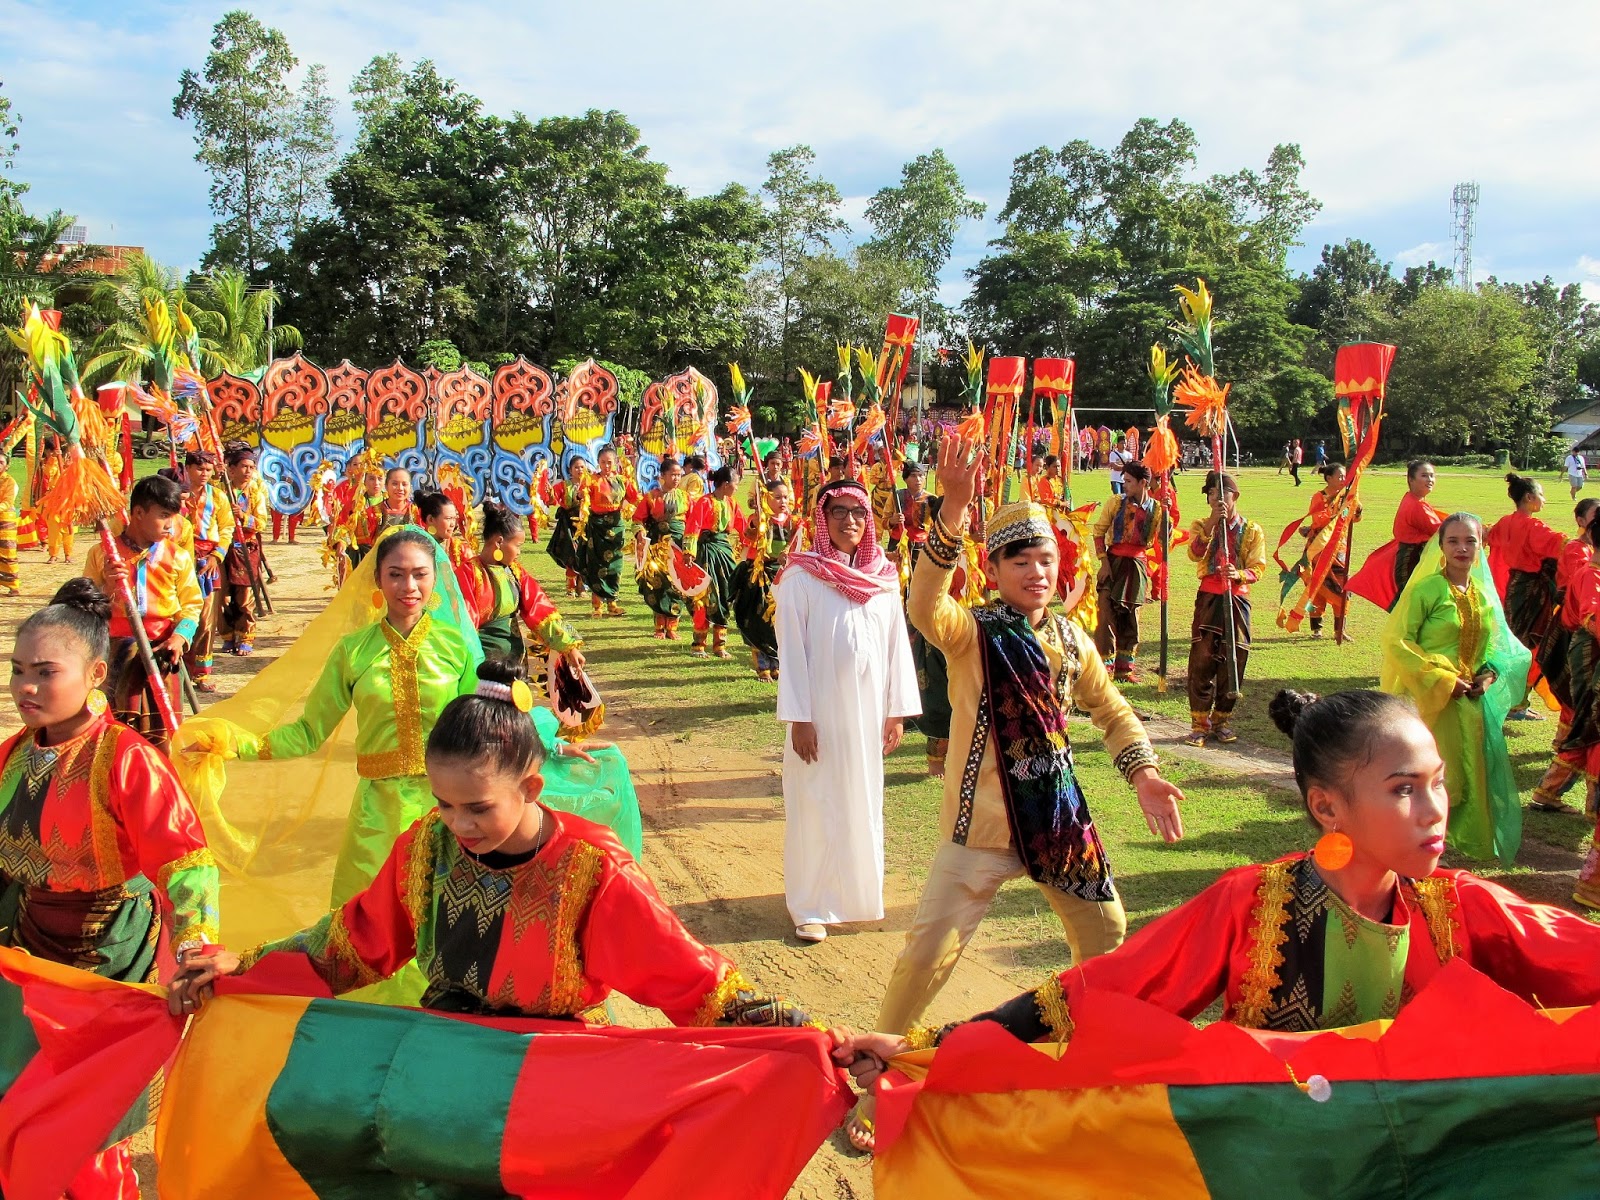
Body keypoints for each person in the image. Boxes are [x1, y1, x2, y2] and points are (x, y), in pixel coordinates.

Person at [840, 689, 1600, 1082]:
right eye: (1404, 789)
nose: (1435, 810)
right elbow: (1104, 993)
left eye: (1436, 783)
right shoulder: (1253, 905)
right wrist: (929, 1047)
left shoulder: (1464, 909)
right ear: (1327, 808)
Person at [851, 436, 1184, 1152]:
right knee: (924, 961)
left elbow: (1112, 711)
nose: (1037, 572)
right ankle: (879, 1084)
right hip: (980, 830)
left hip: (1057, 825)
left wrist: (1144, 774)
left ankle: (1091, 1072)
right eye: (1021, 561)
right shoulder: (972, 632)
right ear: (995, 570)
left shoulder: (1071, 639)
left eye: (1046, 559)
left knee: (1106, 939)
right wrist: (954, 508)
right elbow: (922, 604)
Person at [169, 660, 807, 1030]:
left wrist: (806, 1036)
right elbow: (352, 944)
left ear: (531, 788)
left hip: (553, 1069)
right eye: (444, 804)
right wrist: (245, 968)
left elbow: (691, 980)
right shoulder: (428, 846)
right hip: (446, 1053)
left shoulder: (592, 870)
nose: (458, 824)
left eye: (477, 808)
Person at [2, 579, 220, 1195]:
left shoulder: (126, 758)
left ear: (95, 674)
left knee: (89, 1131)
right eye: (18, 671)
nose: (25, 688)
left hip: (107, 961)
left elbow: (186, 861)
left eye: (46, 672)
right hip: (28, 956)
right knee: (19, 1106)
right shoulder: (13, 755)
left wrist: (196, 949)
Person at [178, 529, 482, 916]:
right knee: (370, 918)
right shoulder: (354, 651)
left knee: (443, 915)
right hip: (376, 818)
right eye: (395, 574)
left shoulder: (455, 646)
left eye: (420, 574)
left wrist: (537, 748)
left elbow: (481, 725)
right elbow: (308, 732)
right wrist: (232, 744)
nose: (409, 586)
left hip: (445, 810)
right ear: (377, 579)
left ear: (435, 578)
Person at [776, 478, 919, 944]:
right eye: (838, 512)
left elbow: (897, 647)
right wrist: (800, 718)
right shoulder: (801, 578)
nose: (849, 521)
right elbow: (792, 653)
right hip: (818, 714)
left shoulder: (884, 579)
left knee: (861, 799)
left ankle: (855, 898)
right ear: (823, 519)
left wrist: (896, 711)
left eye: (858, 513)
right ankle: (810, 906)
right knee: (815, 801)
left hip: (868, 715)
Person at [1382, 514, 1528, 864]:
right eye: (1453, 541)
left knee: (1466, 773)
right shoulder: (1427, 590)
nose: (1462, 548)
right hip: (1430, 701)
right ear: (1441, 546)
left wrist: (1488, 675)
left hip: (1469, 703)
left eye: (1470, 541)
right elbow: (1397, 641)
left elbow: (1494, 648)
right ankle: (1420, 841)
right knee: (1429, 775)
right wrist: (1443, 680)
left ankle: (1451, 839)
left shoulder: (1483, 595)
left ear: (1481, 547)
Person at [82, 474, 202, 750]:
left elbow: (192, 604)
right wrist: (108, 586)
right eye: (163, 516)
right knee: (111, 736)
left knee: (162, 738)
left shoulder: (178, 557)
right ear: (138, 513)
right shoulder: (103, 554)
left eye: (173, 516)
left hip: (162, 654)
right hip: (114, 655)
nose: (170, 525)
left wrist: (179, 638)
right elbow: (85, 608)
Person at [1185, 471, 1267, 746]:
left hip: (1237, 598)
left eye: (1222, 493)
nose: (1216, 498)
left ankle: (1222, 720)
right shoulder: (1201, 525)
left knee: (1235, 657)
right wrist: (1211, 522)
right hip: (1209, 597)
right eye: (1211, 493)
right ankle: (1199, 723)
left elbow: (1258, 567)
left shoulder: (1252, 530)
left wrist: (1239, 574)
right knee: (1202, 657)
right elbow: (1194, 553)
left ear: (1235, 496)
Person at [1529, 501, 1599, 814]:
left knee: (1581, 725)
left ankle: (1550, 791)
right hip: (1584, 654)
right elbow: (1592, 618)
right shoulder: (1588, 573)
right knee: (1586, 726)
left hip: (1584, 652)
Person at [456, 500, 583, 667]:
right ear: (499, 542)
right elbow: (464, 624)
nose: (519, 552)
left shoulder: (514, 571)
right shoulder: (468, 574)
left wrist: (569, 647)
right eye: (517, 546)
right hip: (481, 665)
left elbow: (539, 607)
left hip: (515, 662)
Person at [1486, 472, 1565, 720]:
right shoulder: (1533, 526)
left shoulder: (1506, 522)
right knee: (1531, 646)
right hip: (1533, 592)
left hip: (1515, 587)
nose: (1544, 500)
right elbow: (1559, 545)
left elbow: (1490, 535)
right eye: (1541, 494)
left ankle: (1512, 699)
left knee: (1515, 641)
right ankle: (1516, 704)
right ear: (1529, 498)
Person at [1091, 461, 1161, 682]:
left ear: (1143, 483)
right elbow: (1098, 532)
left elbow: (1164, 540)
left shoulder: (1158, 509)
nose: (1125, 484)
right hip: (1113, 563)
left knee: (1131, 617)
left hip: (1137, 566)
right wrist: (1104, 562)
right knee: (1105, 613)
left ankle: (1124, 669)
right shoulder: (1115, 503)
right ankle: (1104, 668)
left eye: (1129, 481)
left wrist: (1168, 519)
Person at [1348, 459, 1446, 611]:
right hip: (1412, 561)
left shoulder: (1413, 499)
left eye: (1432, 476)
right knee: (1412, 606)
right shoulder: (1416, 505)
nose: (1430, 480)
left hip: (1410, 559)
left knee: (1412, 605)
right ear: (1411, 479)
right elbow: (1440, 530)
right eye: (1424, 476)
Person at [181, 449, 235, 694]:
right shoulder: (177, 494)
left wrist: (216, 556)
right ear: (188, 469)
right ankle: (179, 669)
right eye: (199, 469)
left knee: (205, 619)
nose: (204, 474)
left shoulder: (218, 497)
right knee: (181, 615)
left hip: (208, 561)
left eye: (209, 470)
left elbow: (227, 528)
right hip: (180, 560)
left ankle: (201, 672)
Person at [1291, 462, 1362, 644]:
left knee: (1342, 589)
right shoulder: (1319, 497)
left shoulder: (1347, 496)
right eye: (1340, 476)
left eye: (1345, 476)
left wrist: (1356, 507)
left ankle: (1340, 630)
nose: (1343, 479)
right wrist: (1341, 510)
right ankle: (1316, 628)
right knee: (1316, 589)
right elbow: (1320, 520)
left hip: (1339, 550)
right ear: (1329, 478)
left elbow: (1355, 518)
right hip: (1319, 548)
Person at [733, 477, 795, 682]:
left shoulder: (793, 521)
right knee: (759, 620)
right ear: (766, 498)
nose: (782, 501)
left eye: (785, 497)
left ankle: (776, 664)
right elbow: (748, 537)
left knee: (780, 622)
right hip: (760, 577)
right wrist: (757, 523)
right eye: (777, 497)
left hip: (784, 577)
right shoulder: (758, 519)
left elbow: (799, 544)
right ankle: (762, 667)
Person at [686, 465, 745, 660]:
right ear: (726, 484)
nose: (737, 488)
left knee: (725, 594)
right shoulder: (704, 502)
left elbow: (743, 527)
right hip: (706, 552)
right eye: (736, 484)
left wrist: (756, 532)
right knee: (705, 596)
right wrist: (689, 552)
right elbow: (693, 526)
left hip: (724, 551)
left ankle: (720, 645)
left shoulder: (732, 503)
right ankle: (698, 644)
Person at [219, 444, 270, 658]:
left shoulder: (255, 494)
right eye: (243, 466)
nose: (248, 471)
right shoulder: (221, 492)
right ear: (231, 470)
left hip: (245, 547)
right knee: (222, 596)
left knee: (244, 595)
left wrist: (243, 516)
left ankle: (246, 635)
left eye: (251, 467)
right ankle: (228, 634)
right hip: (223, 547)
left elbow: (261, 523)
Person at [633, 455, 690, 638]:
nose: (676, 478)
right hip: (656, 547)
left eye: (679, 475)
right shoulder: (651, 497)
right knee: (657, 584)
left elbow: (693, 523)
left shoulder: (686, 498)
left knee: (676, 584)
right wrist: (640, 534)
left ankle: (672, 627)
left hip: (678, 546)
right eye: (672, 474)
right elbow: (637, 519)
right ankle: (659, 627)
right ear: (662, 476)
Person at [579, 445, 636, 617]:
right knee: (596, 564)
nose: (606, 466)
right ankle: (597, 605)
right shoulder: (591, 480)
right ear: (598, 462)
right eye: (603, 462)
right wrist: (580, 496)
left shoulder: (622, 480)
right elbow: (581, 495)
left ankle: (612, 603)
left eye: (609, 462)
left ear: (616, 462)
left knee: (615, 565)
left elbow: (634, 497)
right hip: (597, 525)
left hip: (616, 525)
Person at [541, 458, 588, 596]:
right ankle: (571, 587)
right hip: (568, 526)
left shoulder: (591, 484)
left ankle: (582, 586)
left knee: (584, 555)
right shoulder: (563, 486)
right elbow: (552, 500)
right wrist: (550, 494)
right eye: (576, 467)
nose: (580, 470)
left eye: (582, 467)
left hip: (585, 525)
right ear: (570, 470)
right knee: (571, 555)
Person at [416, 488, 469, 574]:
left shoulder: (461, 551)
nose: (452, 524)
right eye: (448, 518)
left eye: (454, 518)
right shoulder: (415, 548)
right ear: (430, 519)